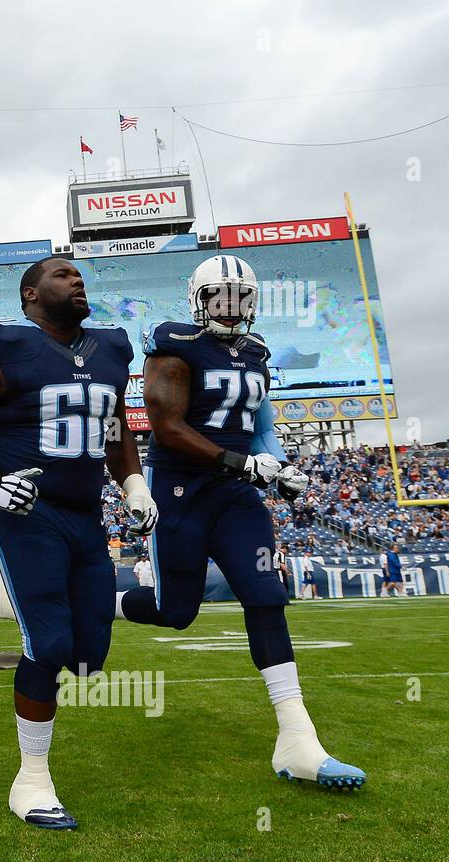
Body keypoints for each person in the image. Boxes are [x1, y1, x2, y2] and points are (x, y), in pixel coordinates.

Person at [115, 253, 364, 792]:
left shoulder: (255, 353)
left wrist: (283, 466)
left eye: (239, 298)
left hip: (234, 494)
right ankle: (103, 599)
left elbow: (262, 427)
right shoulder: (174, 346)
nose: (230, 308)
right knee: (175, 613)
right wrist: (240, 462)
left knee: (265, 593)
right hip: (179, 491)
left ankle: (298, 740)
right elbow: (166, 427)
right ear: (197, 299)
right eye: (219, 297)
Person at [0, 257, 156, 830]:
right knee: (49, 643)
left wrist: (132, 483)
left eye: (79, 273)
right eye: (61, 274)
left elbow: (114, 428)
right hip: (25, 509)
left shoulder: (111, 349)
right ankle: (31, 778)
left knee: (87, 658)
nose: (76, 279)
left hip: (84, 512)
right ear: (31, 294)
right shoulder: (4, 348)